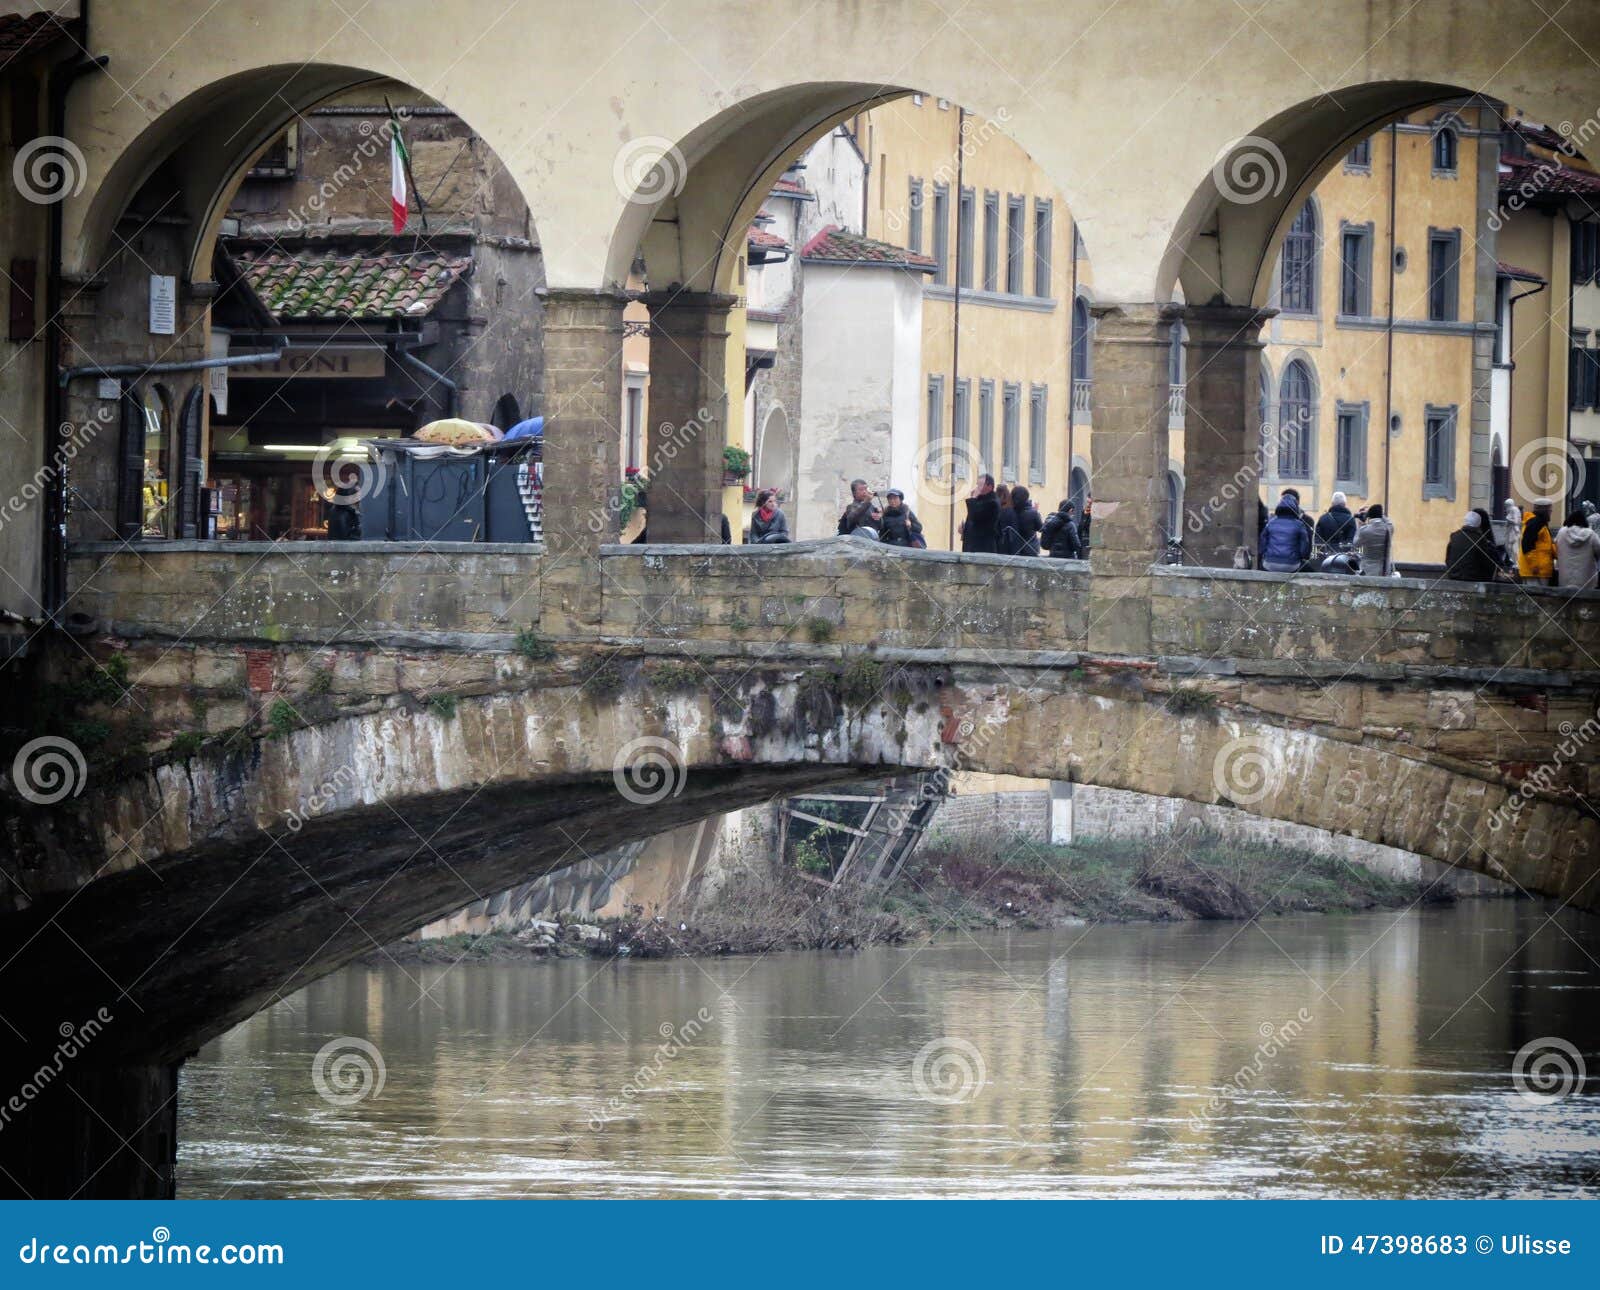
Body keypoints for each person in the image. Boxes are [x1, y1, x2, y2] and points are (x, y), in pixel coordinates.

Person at [1445, 510, 1500, 582]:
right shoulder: (1480, 538)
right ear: (1478, 524)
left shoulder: (1454, 536)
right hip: (1472, 578)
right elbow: (1486, 562)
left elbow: (1447, 559)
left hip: (1453, 576)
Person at [1260, 499, 1312, 572]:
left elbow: (1262, 544)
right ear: (1295, 509)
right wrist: (1301, 557)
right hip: (1292, 565)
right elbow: (1304, 548)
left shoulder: (1270, 523)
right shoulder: (1299, 524)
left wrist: (1265, 555)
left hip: (1269, 564)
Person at [1555, 509, 1600, 589]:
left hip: (1565, 580)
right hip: (1587, 581)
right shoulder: (1592, 535)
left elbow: (1555, 547)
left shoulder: (1561, 533)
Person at [1518, 500, 1556, 584]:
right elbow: (1527, 545)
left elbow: (1546, 545)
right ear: (1544, 510)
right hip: (1535, 572)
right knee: (1537, 596)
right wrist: (1534, 566)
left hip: (1538, 571)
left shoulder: (1539, 522)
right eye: (1550, 510)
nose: (1551, 512)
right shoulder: (1536, 523)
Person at [998, 484, 1043, 555]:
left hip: (1012, 549)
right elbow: (1040, 528)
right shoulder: (1032, 513)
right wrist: (1037, 512)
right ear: (1026, 497)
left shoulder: (1009, 511)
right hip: (1030, 548)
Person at [1352, 502, 1394, 576]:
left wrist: (1359, 527)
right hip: (1385, 570)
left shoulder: (1364, 530)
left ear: (1369, 516)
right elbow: (1388, 521)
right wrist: (1379, 513)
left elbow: (1355, 544)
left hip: (1368, 570)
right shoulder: (1389, 528)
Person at [961, 474, 1000, 553]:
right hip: (972, 545)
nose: (977, 488)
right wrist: (965, 528)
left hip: (982, 547)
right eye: (977, 485)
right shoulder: (980, 500)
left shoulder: (992, 502)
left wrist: (973, 499)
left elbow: (975, 516)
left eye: (980, 485)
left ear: (989, 486)